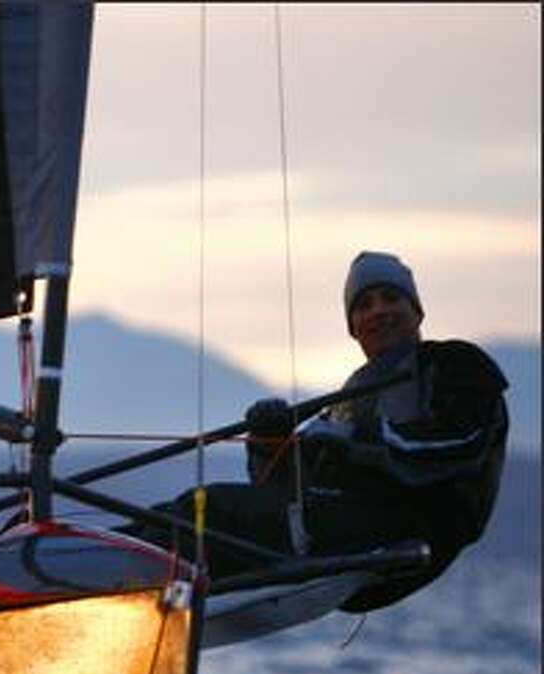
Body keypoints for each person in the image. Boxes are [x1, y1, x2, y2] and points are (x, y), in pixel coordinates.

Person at [137, 250, 509, 611]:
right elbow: (284, 490)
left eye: (391, 298)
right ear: (354, 328)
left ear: (416, 311)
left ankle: (116, 566)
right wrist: (271, 444)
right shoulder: (351, 395)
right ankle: (109, 563)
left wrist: (361, 442)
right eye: (364, 305)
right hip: (337, 534)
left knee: (209, 510)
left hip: (400, 534)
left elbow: (458, 444)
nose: (379, 310)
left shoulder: (458, 364)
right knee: (176, 518)